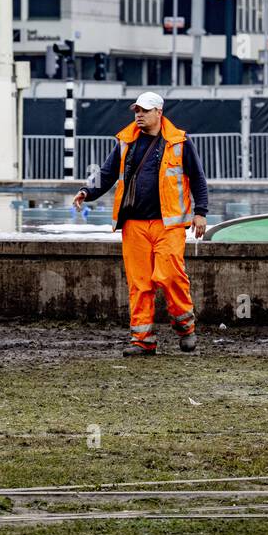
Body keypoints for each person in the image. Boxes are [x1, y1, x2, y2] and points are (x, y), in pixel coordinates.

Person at [74, 91, 209, 355]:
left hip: (168, 225)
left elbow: (198, 178)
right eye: (136, 110)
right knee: (140, 284)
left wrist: (201, 212)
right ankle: (143, 340)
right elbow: (107, 172)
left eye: (144, 111)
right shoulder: (125, 142)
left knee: (170, 276)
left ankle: (185, 329)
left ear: (159, 112)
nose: (139, 115)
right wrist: (87, 191)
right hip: (134, 224)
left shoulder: (180, 142)